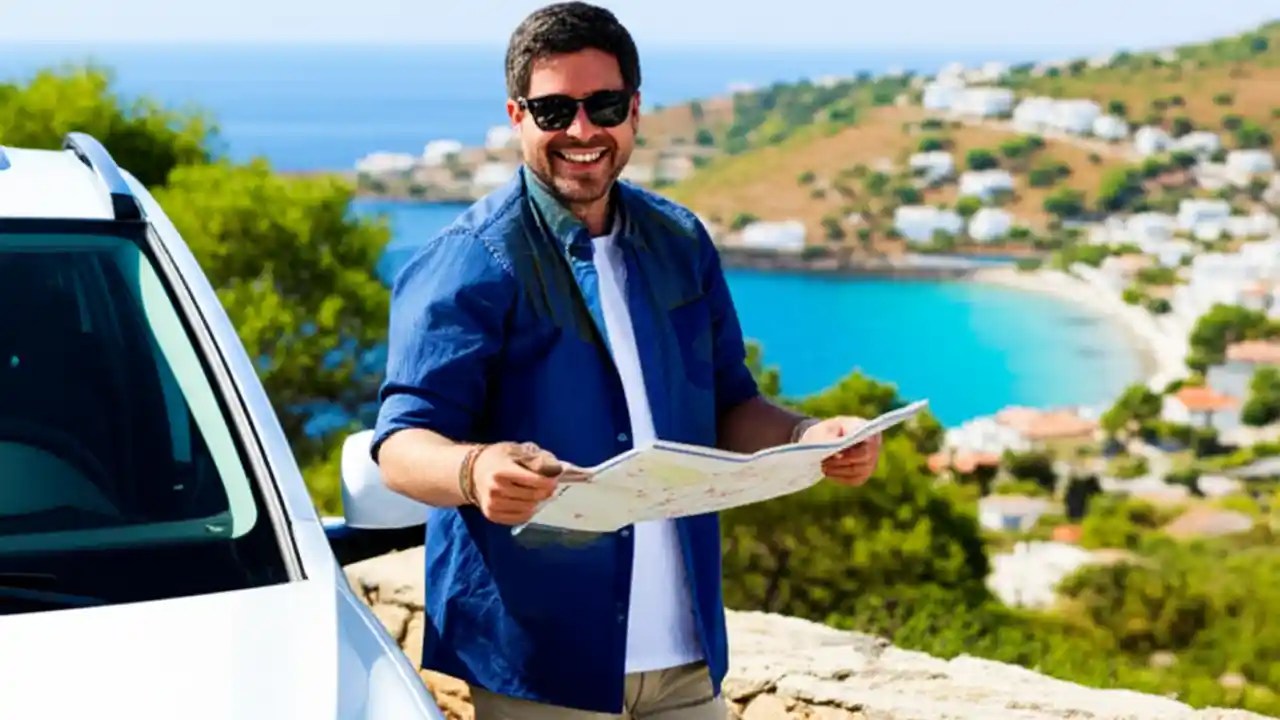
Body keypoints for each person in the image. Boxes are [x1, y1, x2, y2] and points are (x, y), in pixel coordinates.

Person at [372, 3, 884, 718]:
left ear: (635, 111)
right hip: (539, 664)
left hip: (686, 660)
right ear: (517, 116)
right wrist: (473, 469)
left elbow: (732, 405)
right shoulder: (468, 261)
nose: (581, 131)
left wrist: (809, 440)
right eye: (554, 110)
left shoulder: (681, 241)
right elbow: (399, 446)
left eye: (603, 105)